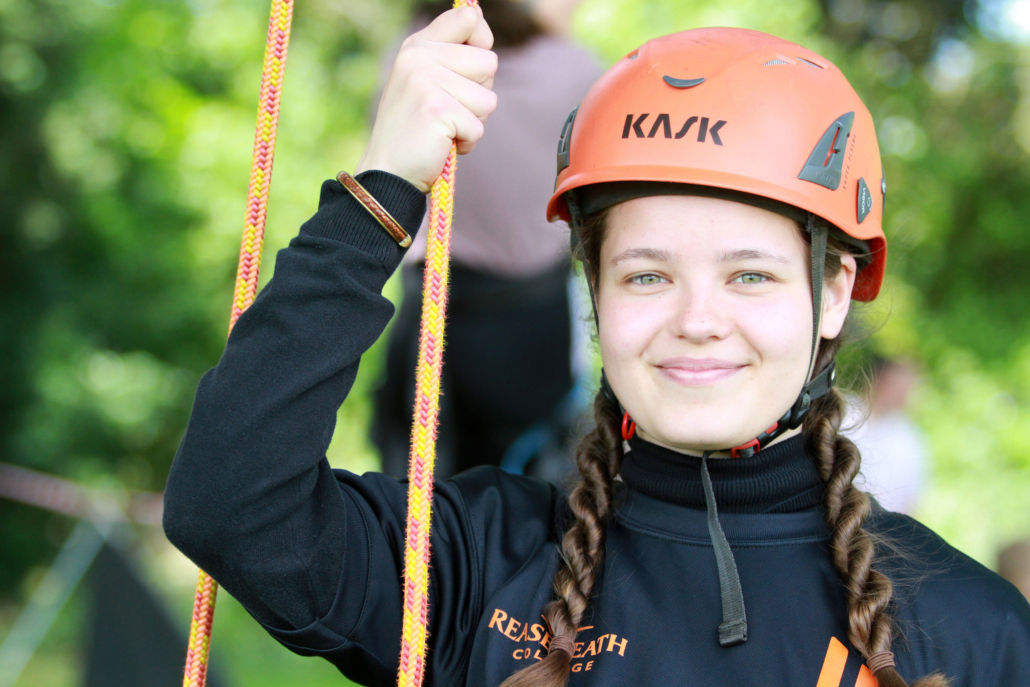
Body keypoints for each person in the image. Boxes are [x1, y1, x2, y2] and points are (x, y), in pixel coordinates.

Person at [163, 8, 1030, 687]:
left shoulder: (967, 628)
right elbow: (232, 502)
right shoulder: (481, 561)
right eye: (647, 276)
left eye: (751, 277)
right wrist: (381, 193)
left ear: (834, 289)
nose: (697, 319)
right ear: (594, 291)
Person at [371, 0, 600, 480]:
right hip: (534, 331)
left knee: (420, 496)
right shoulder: (574, 68)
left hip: (435, 320)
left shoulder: (417, 58)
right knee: (527, 490)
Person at [846, 357, 930, 514]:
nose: (903, 394)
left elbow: (911, 499)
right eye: (897, 386)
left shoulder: (909, 438)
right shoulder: (844, 413)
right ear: (879, 380)